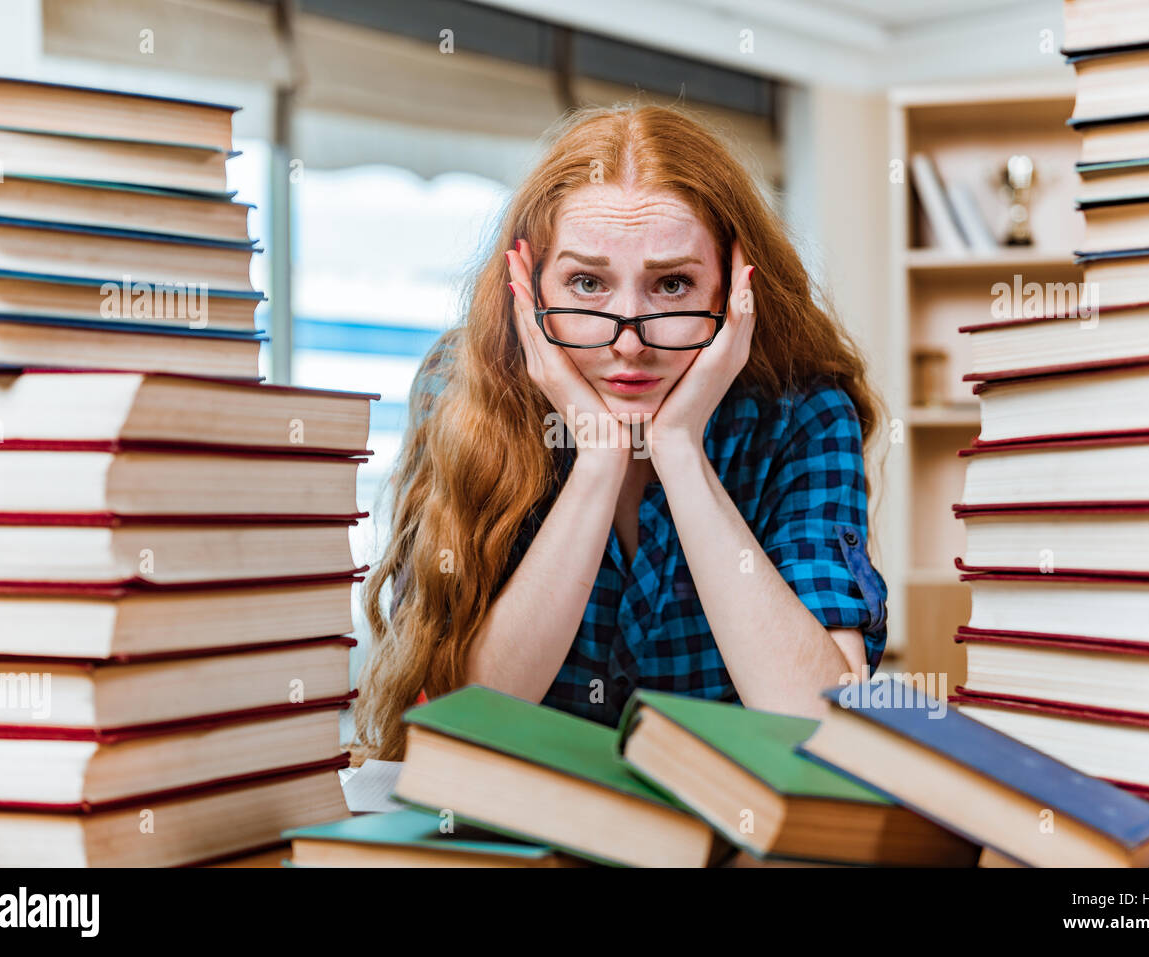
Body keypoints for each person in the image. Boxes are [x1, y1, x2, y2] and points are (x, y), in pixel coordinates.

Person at [352, 102, 888, 761]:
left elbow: (823, 724)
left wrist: (680, 451)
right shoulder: (462, 391)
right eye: (587, 282)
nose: (630, 336)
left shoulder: (801, 414)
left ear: (733, 291)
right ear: (529, 291)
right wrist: (599, 461)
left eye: (671, 284)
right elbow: (462, 733)